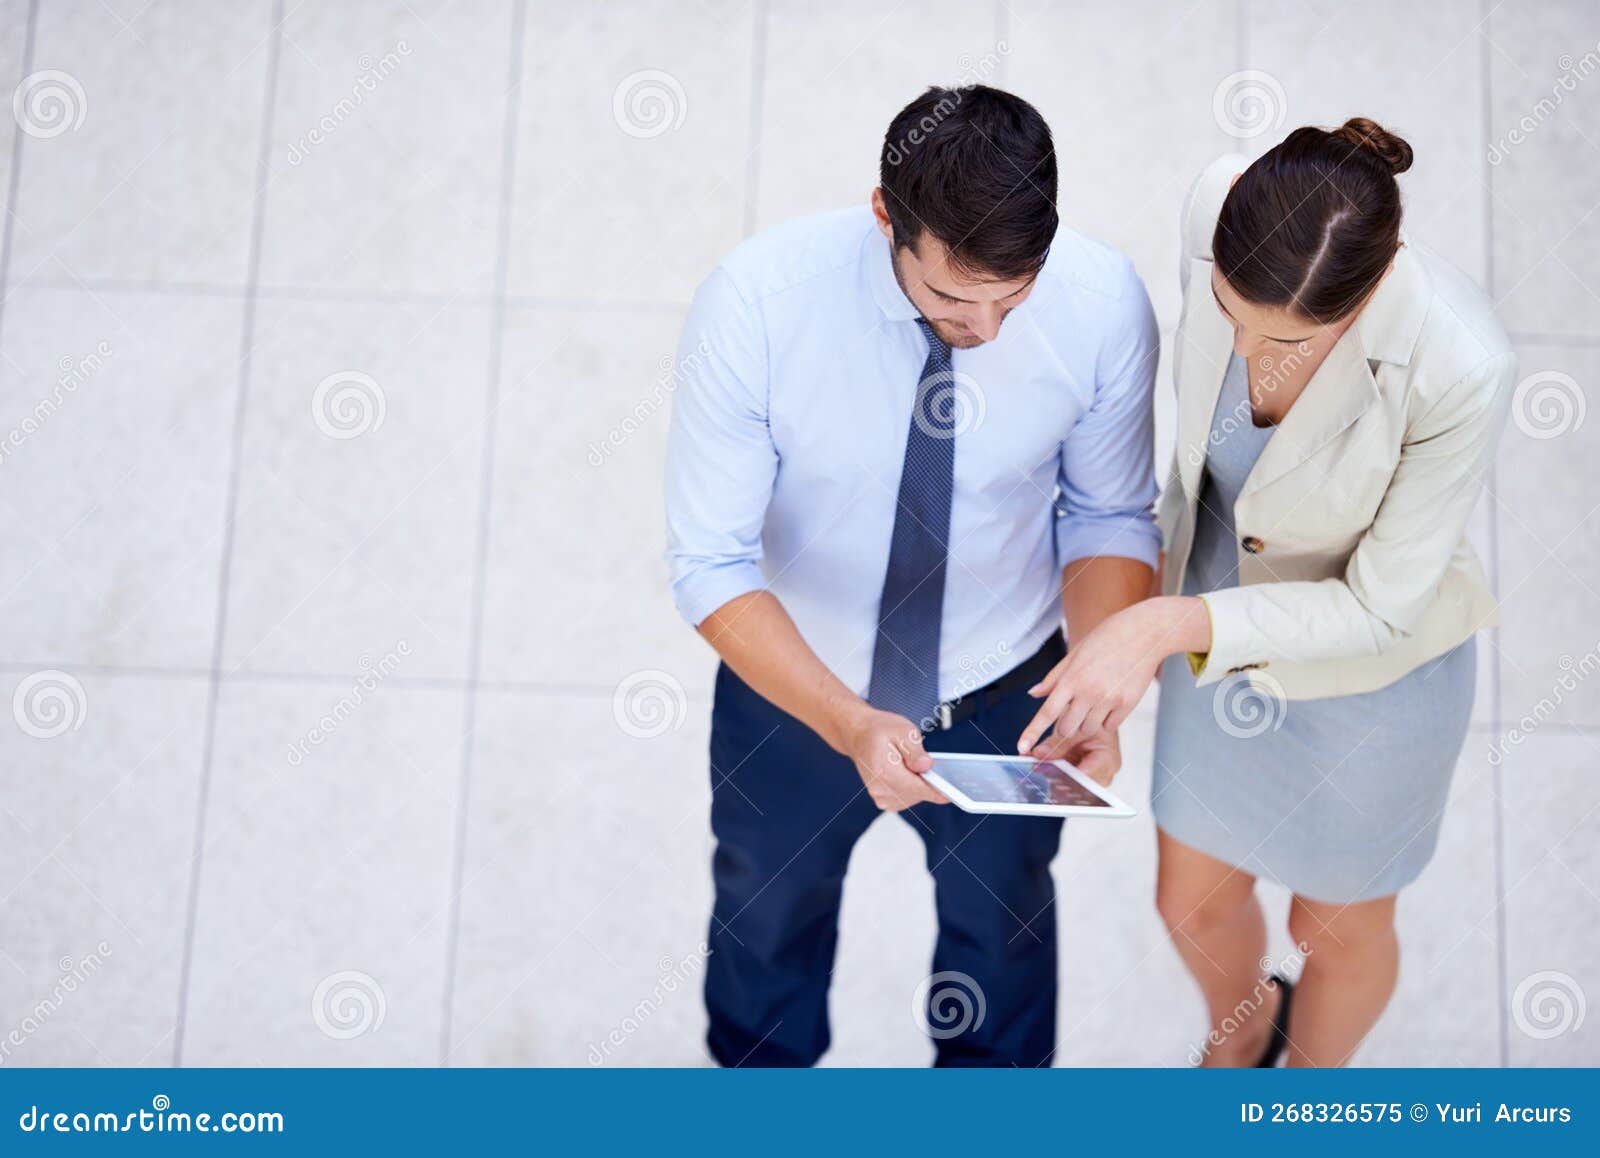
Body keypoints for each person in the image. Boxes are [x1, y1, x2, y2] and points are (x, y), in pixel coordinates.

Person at [664, 85, 1161, 1067]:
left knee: (1001, 951)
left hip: (1010, 689)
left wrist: (1096, 689)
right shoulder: (757, 302)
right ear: (886, 214)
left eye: (1011, 302)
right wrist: (848, 722)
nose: (984, 330)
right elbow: (710, 563)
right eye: (948, 299)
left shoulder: (1103, 302)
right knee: (765, 931)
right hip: (798, 692)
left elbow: (1106, 514)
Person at [1015, 119, 1516, 1067]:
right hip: (1216, 639)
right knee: (1187, 899)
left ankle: (1308, 1098)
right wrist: (1153, 622)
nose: (1246, 355)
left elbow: (1380, 607)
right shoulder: (1220, 201)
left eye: (1284, 337)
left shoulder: (1463, 365)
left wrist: (1169, 622)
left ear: (1366, 294)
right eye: (1229, 313)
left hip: (1368, 684)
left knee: (1339, 933)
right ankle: (1241, 1033)